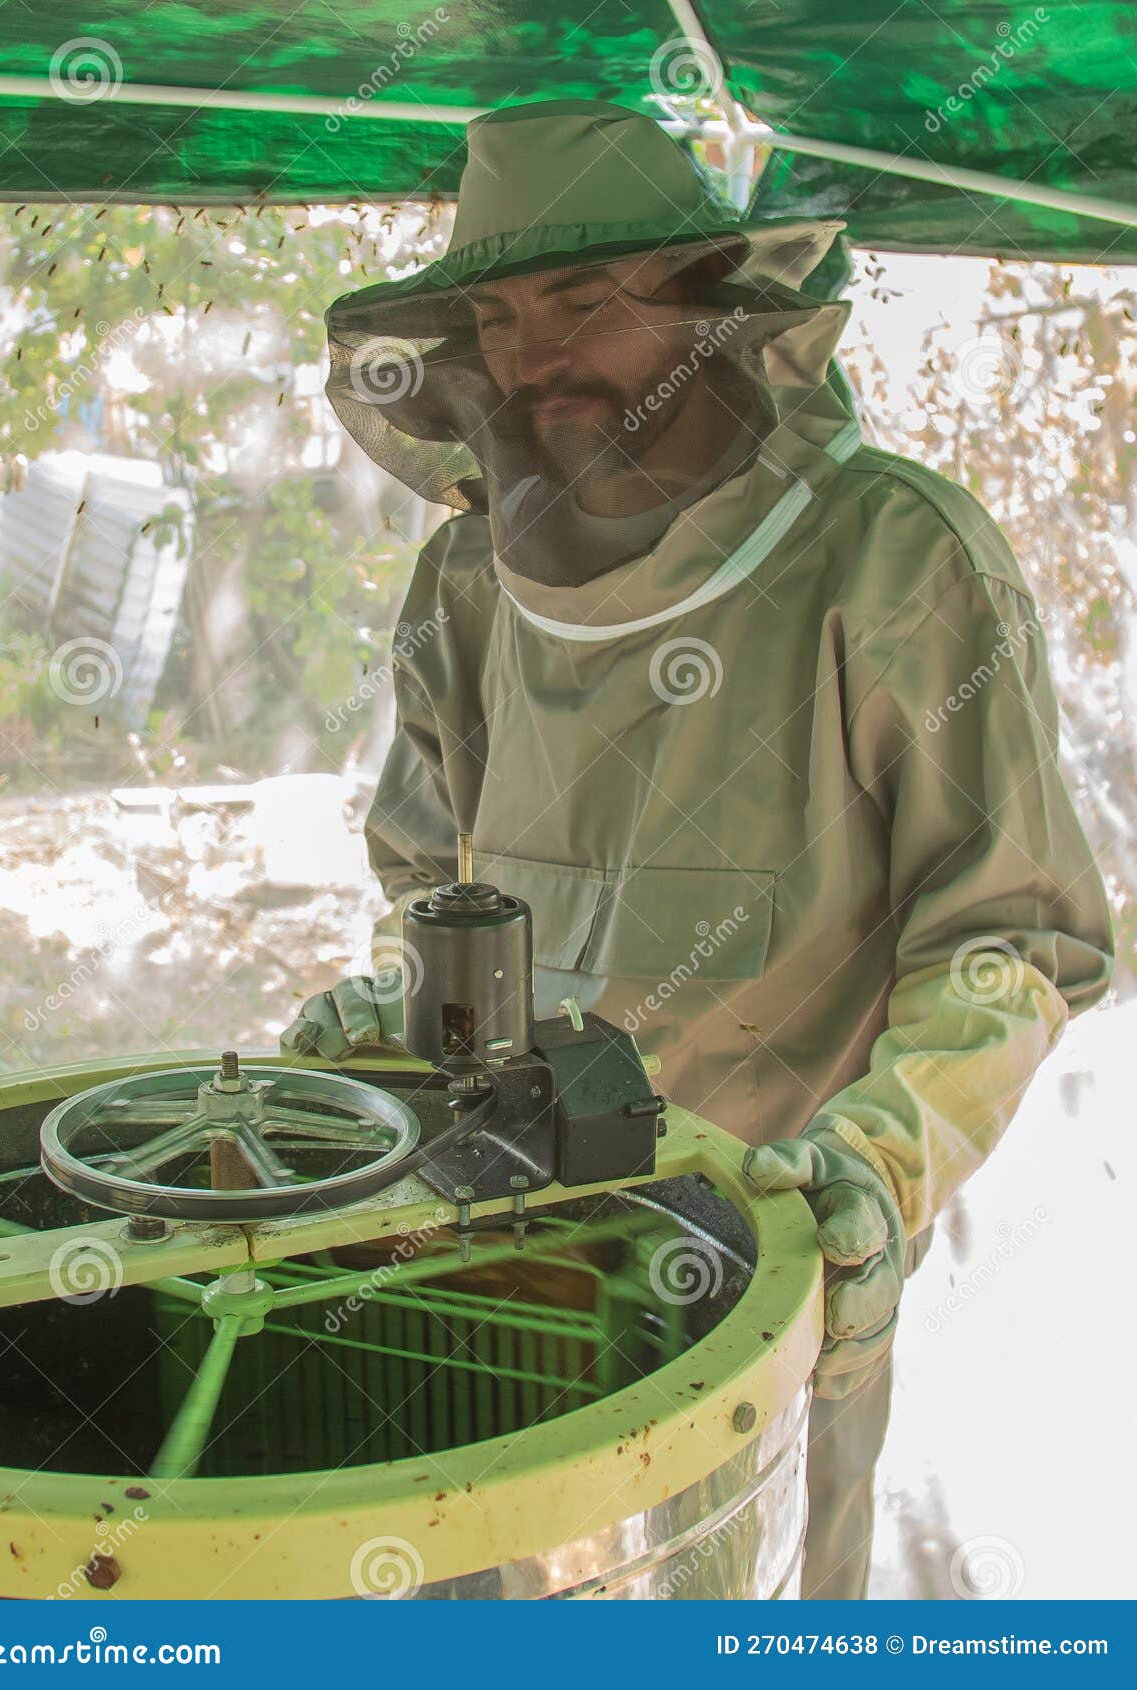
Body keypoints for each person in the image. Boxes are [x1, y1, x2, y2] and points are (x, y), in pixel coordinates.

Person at [283, 99, 1113, 1598]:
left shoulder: (895, 558)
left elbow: (1009, 940)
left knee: (745, 1599)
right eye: (499, 319)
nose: (535, 359)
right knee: (478, 1582)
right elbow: (431, 882)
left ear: (710, 307)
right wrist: (407, 1015)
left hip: (771, 1254)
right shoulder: (469, 577)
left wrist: (873, 1166)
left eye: (583, 303)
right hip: (497, 1242)